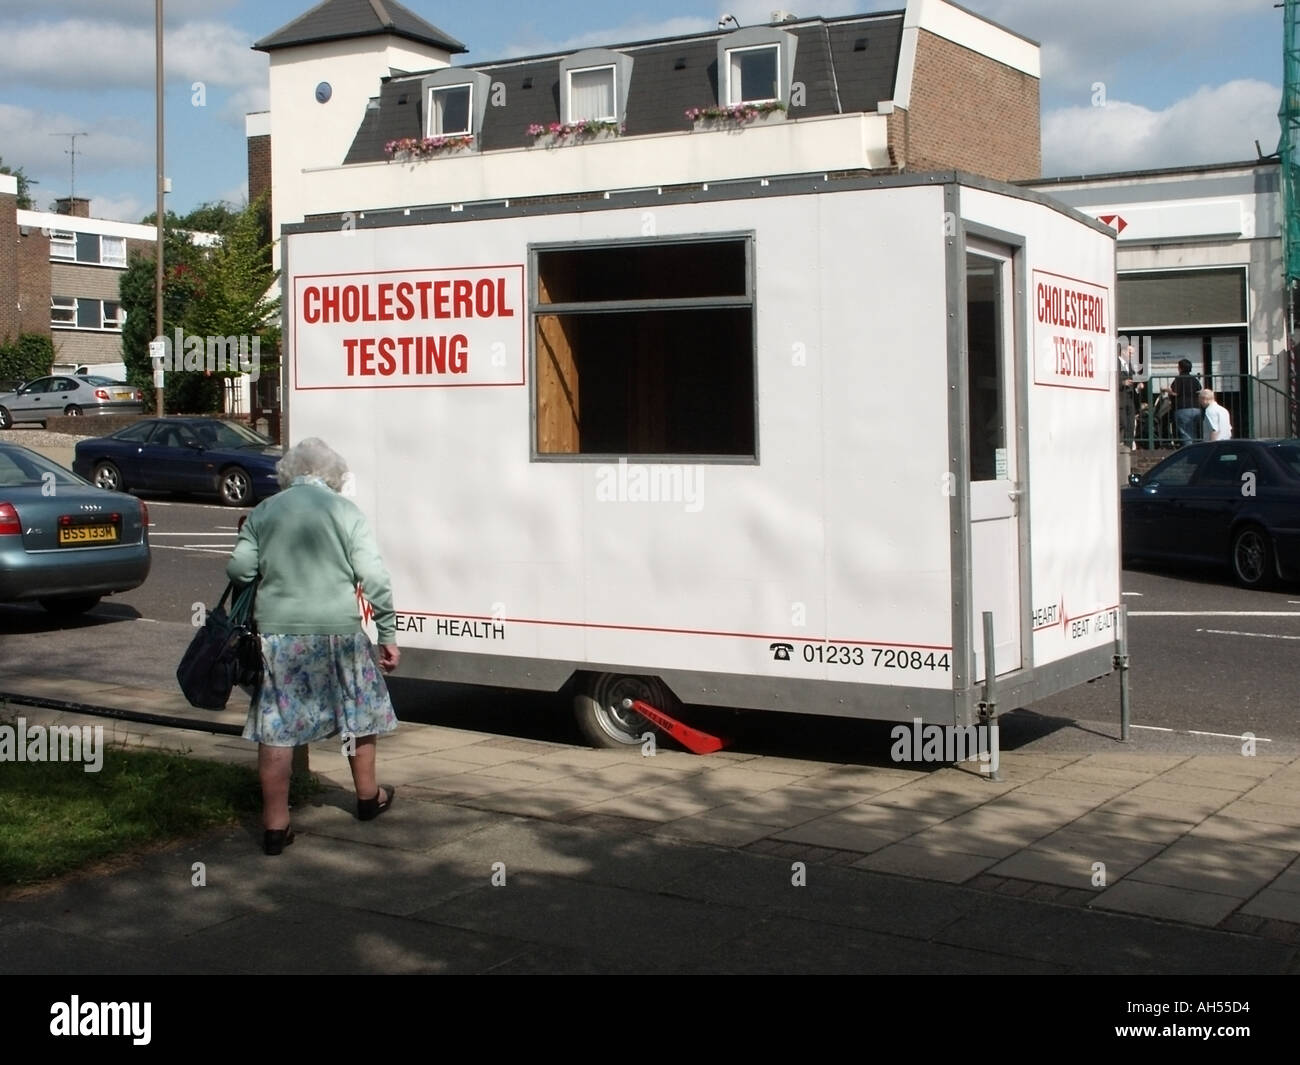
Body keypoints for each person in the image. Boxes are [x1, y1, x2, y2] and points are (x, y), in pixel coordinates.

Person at [227, 437, 401, 856]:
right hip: (339, 632)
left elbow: (239, 569)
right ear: (334, 476)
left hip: (281, 635)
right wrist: (388, 634)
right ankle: (367, 797)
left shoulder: (265, 511)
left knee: (278, 728)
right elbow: (373, 577)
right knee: (359, 712)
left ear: (288, 475)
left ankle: (275, 825)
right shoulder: (345, 511)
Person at [1165, 358, 1202, 445]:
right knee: (1194, 433)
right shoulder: (1194, 379)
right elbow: (1199, 390)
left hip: (1183, 408)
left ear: (1180, 368)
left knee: (1186, 434)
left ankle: (1189, 454)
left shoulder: (1178, 379)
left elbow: (1175, 393)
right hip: (1196, 408)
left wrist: (1166, 390)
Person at [1117, 344, 1142, 449]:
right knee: (1123, 424)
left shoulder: (1129, 365)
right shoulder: (1115, 363)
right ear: (1123, 352)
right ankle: (1121, 449)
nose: (1132, 355)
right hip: (1120, 399)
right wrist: (1122, 383)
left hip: (1129, 400)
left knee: (1130, 426)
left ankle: (1128, 450)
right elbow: (1110, 380)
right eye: (1130, 352)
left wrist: (1137, 387)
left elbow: (1132, 381)